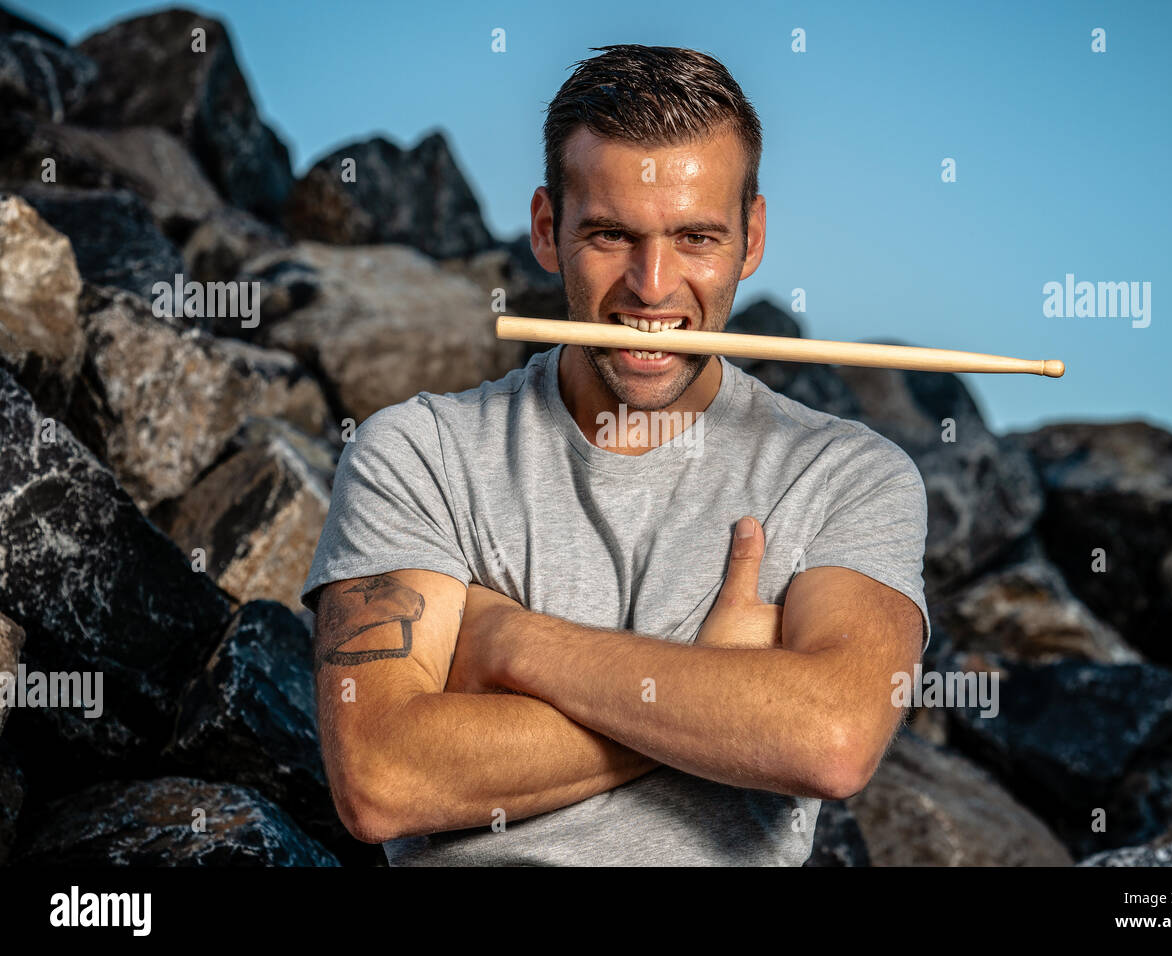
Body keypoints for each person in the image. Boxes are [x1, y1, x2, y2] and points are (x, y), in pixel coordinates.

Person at [301, 44, 930, 866]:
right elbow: (382, 777)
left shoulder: (847, 474)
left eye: (697, 236)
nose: (653, 286)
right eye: (609, 234)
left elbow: (832, 738)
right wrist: (719, 694)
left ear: (753, 237)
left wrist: (516, 647)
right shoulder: (418, 454)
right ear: (545, 229)